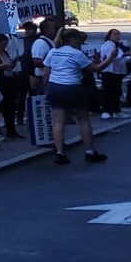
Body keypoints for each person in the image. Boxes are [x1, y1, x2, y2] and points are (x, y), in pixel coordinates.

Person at [43, 28, 107, 166]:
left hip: (54, 86)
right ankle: (90, 152)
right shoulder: (76, 54)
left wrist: (46, 88)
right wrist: (111, 58)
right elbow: (95, 69)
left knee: (58, 121)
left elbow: (46, 72)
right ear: (72, 39)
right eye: (78, 38)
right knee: (83, 119)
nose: (80, 41)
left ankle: (60, 153)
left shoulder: (53, 52)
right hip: (72, 87)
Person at [95, 27, 127, 119]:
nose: (117, 36)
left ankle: (116, 110)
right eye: (115, 34)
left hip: (117, 71)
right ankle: (106, 111)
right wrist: (125, 56)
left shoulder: (116, 45)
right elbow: (113, 57)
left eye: (118, 34)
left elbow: (120, 58)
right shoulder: (108, 45)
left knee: (116, 91)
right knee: (108, 91)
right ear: (109, 36)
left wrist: (129, 57)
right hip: (108, 71)